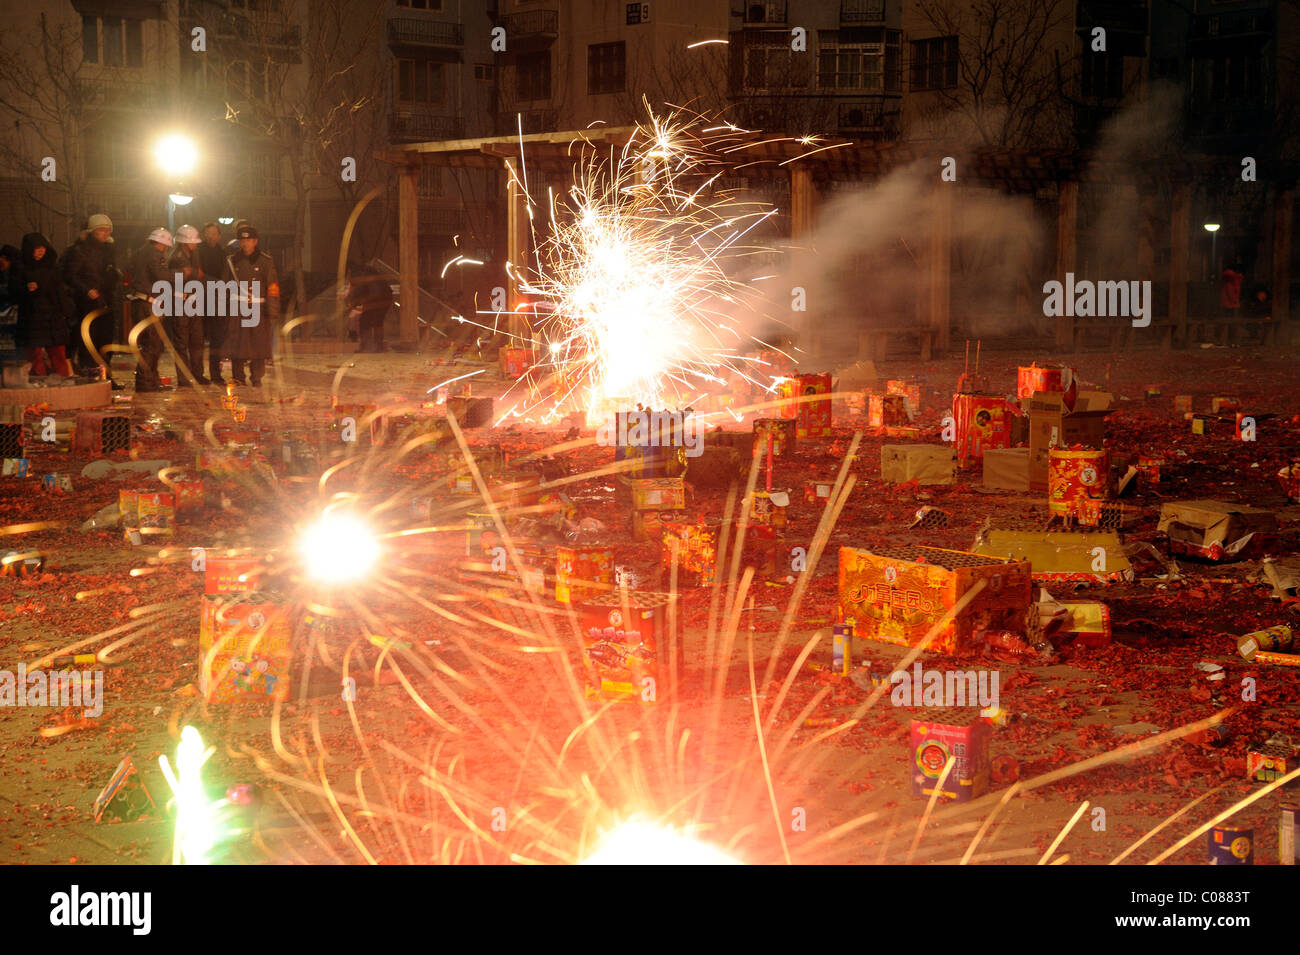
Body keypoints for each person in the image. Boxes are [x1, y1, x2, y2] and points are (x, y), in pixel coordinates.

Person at [62, 213, 123, 388]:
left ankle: (105, 377)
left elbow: (110, 273)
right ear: (92, 231)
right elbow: (70, 275)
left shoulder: (108, 251)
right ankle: (90, 378)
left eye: (108, 230)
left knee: (106, 342)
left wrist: (114, 277)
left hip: (107, 302)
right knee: (89, 342)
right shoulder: (79, 251)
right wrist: (87, 290)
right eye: (101, 230)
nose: (105, 233)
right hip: (87, 305)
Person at [9, 233, 76, 380]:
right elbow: (13, 291)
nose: (41, 251)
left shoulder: (52, 267)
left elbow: (60, 291)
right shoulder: (21, 267)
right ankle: (38, 384)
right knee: (35, 356)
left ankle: (63, 383)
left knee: (58, 353)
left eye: (43, 248)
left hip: (54, 317)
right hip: (32, 318)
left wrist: (67, 311)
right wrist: (27, 289)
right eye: (36, 248)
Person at [225, 223, 278, 387]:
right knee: (238, 343)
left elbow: (272, 287)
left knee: (258, 345)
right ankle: (238, 376)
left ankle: (257, 376)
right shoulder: (232, 261)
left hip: (258, 308)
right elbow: (225, 285)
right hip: (238, 308)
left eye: (249, 240)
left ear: (255, 241)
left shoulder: (265, 261)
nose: (245, 243)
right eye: (242, 240)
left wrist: (273, 310)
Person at [127, 227, 174, 392]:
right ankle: (145, 382)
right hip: (148, 304)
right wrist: (180, 274)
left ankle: (152, 380)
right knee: (152, 344)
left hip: (141, 302)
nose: (166, 249)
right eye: (166, 246)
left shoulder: (140, 253)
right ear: (160, 244)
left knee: (152, 343)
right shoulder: (154, 255)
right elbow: (162, 276)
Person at [167, 224, 208, 385]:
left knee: (197, 340)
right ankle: (184, 378)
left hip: (193, 301)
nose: (196, 244)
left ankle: (197, 374)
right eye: (193, 241)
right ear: (185, 242)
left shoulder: (192, 255)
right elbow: (174, 281)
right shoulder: (176, 258)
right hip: (181, 303)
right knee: (182, 342)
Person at [198, 222, 228, 384]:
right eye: (208, 233)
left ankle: (216, 374)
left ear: (219, 235)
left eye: (214, 233)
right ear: (204, 235)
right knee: (199, 339)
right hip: (201, 300)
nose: (211, 236)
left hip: (218, 301)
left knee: (217, 340)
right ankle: (198, 374)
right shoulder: (198, 251)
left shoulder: (223, 253)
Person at [345, 263, 393, 353]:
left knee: (365, 321)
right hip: (385, 297)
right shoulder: (367, 271)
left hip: (375, 298)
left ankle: (367, 347)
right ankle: (378, 347)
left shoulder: (359, 275)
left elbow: (360, 289)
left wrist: (353, 303)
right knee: (378, 322)